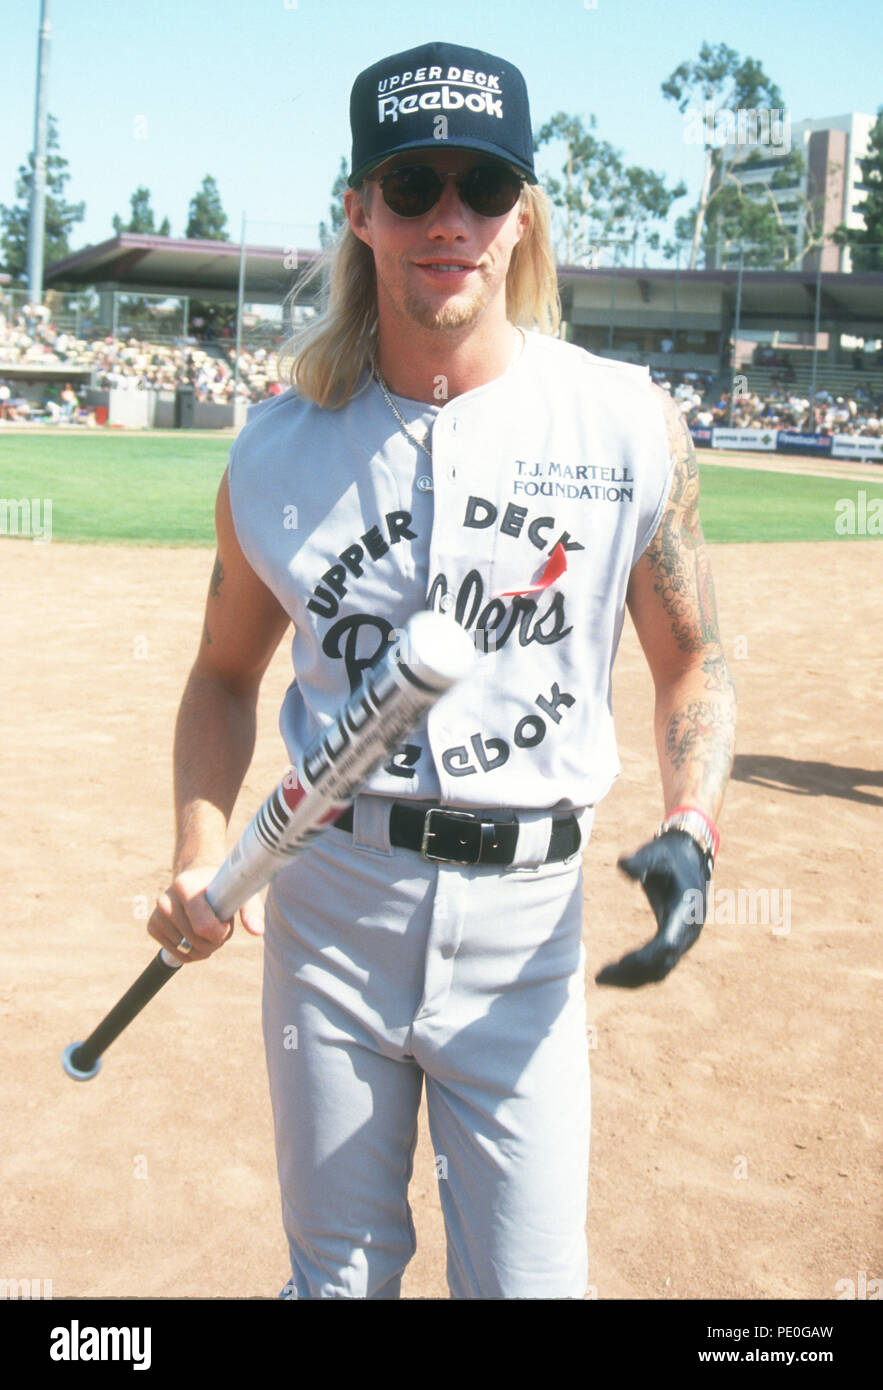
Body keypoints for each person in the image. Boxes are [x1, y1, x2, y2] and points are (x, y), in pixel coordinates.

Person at [147, 40, 736, 1300]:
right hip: (331, 909)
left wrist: (692, 823)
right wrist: (202, 844)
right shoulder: (275, 451)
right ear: (358, 208)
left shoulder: (626, 424)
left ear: (521, 211)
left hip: (529, 930)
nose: (448, 219)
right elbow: (219, 675)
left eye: (483, 184)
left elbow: (692, 661)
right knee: (336, 1285)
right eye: (411, 185)